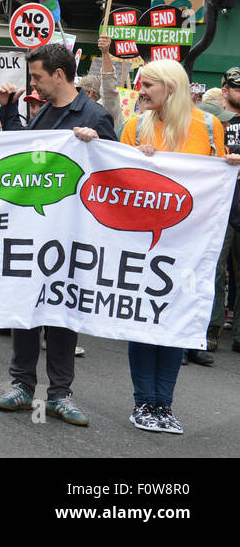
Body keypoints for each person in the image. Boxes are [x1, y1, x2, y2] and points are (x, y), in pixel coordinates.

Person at [76, 60, 239, 434]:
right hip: (142, 241)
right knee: (142, 318)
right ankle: (143, 402)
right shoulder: (136, 125)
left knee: (176, 320)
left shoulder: (210, 127)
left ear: (171, 87)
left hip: (188, 244)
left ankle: (163, 404)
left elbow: (213, 182)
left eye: (148, 84)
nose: (142, 90)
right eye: (140, 84)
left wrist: (229, 164)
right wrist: (95, 143)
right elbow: (112, 173)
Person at [0, 42, 118, 426]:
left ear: (59, 75)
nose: (35, 84)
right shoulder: (44, 113)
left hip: (72, 234)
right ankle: (22, 386)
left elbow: (115, 169)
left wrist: (97, 145)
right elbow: (25, 156)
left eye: (38, 77)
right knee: (28, 304)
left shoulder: (94, 115)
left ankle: (61, 393)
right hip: (38, 228)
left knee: (62, 310)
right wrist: (7, 112)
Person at [201, 66, 240, 354]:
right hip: (219, 201)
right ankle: (211, 328)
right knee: (214, 264)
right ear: (224, 90)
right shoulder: (212, 119)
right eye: (237, 87)